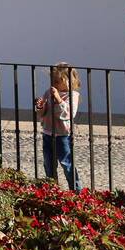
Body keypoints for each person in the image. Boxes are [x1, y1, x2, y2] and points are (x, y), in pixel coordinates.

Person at [35, 62, 81, 191]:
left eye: (57, 81)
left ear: (67, 81)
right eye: (52, 80)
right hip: (48, 133)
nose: (54, 83)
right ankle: (53, 190)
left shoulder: (73, 96)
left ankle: (76, 191)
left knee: (67, 165)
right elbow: (42, 114)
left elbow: (68, 113)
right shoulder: (48, 92)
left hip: (63, 136)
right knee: (49, 164)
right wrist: (40, 106)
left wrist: (58, 99)